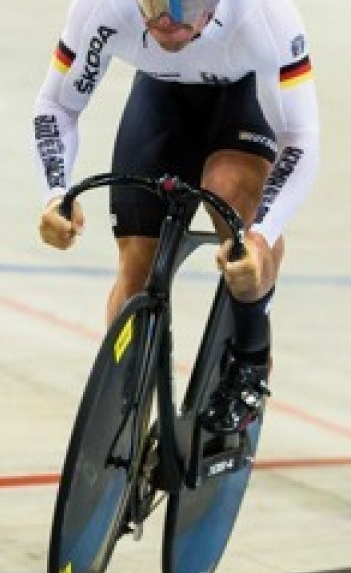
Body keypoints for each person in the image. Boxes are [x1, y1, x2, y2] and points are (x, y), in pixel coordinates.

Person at [33, 0, 320, 432]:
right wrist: (55, 194)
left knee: (233, 207)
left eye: (185, 3)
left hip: (243, 100)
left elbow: (299, 138)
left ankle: (250, 359)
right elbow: (57, 106)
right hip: (162, 99)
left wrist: (261, 236)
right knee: (136, 269)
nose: (167, 19)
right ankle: (122, 415)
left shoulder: (263, 15)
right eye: (153, 1)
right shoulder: (101, 9)